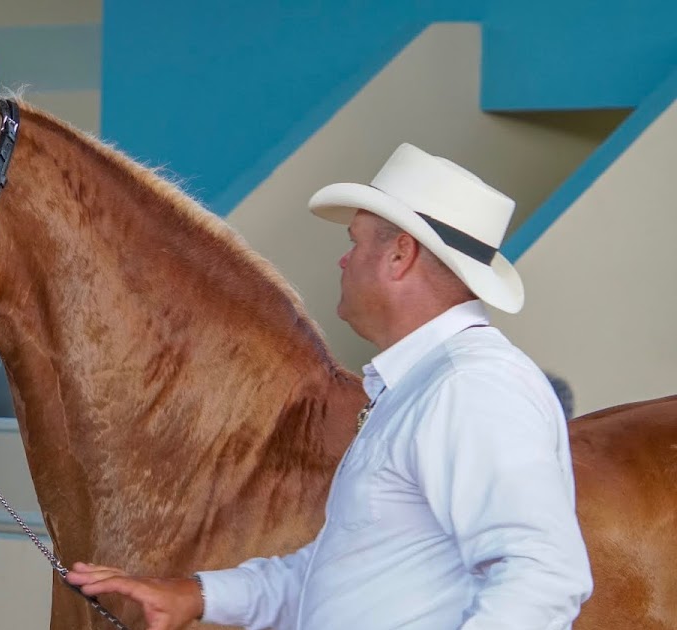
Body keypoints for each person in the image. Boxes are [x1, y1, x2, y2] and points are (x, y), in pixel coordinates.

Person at [66, 143, 593, 629]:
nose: (344, 259)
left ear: (400, 255)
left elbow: (543, 576)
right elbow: (340, 577)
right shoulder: (424, 384)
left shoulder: (470, 386)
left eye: (354, 242)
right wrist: (196, 595)